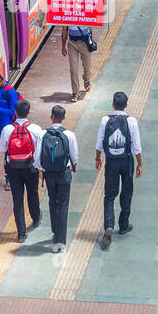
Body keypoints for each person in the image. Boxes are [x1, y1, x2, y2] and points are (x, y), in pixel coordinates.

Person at [94, 91, 142, 250]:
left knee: (109, 195)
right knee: (126, 192)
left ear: (113, 105)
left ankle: (109, 224)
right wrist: (139, 164)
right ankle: (123, 224)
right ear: (127, 105)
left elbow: (100, 142)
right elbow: (136, 145)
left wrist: (98, 158)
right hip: (127, 161)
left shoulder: (105, 120)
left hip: (111, 162)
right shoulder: (132, 121)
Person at [0, 98, 45, 243]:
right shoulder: (36, 129)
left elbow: (2, 149)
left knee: (17, 200)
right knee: (33, 194)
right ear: (29, 112)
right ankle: (36, 218)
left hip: (13, 169)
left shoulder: (7, 129)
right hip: (30, 168)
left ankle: (21, 234)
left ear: (15, 112)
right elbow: (39, 150)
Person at [38, 105, 80, 253]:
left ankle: (55, 231)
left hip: (49, 174)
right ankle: (60, 240)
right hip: (64, 173)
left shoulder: (43, 134)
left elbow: (38, 156)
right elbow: (74, 156)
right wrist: (71, 167)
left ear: (51, 117)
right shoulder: (69, 135)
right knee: (63, 204)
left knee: (52, 201)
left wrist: (41, 170)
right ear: (64, 118)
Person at [62, 24, 95, 101]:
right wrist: (63, 46)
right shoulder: (67, 13)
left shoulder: (87, 11)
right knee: (73, 69)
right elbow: (64, 29)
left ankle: (86, 80)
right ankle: (75, 93)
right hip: (72, 43)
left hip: (85, 42)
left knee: (88, 67)